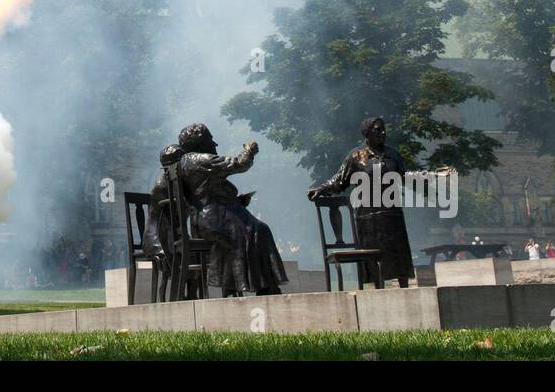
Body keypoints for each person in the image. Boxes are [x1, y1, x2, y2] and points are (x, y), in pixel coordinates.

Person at [176, 122, 287, 296]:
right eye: (210, 140)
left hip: (210, 217)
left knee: (257, 229)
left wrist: (237, 201)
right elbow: (239, 164)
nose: (215, 144)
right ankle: (263, 287)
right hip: (215, 220)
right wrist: (249, 150)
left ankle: (246, 286)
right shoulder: (200, 160)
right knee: (257, 230)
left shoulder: (186, 162)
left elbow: (208, 192)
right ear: (200, 142)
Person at [308, 117, 416, 288]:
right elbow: (339, 180)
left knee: (398, 254)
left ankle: (405, 288)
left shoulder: (393, 154)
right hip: (368, 217)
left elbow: (408, 177)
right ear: (367, 133)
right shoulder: (356, 156)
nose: (383, 133)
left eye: (383, 129)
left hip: (392, 214)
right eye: (378, 130)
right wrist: (321, 189)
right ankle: (377, 288)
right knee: (373, 257)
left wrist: (433, 178)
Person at [141, 144, 186, 259]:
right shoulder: (161, 186)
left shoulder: (179, 183)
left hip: (178, 236)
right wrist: (156, 246)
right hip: (162, 240)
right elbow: (153, 222)